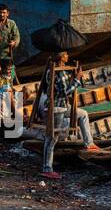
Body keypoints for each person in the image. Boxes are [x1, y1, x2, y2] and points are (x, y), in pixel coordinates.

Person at [38, 50, 99, 179]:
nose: (68, 56)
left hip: (60, 106)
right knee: (52, 138)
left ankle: (89, 143)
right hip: (57, 108)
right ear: (61, 57)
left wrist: (73, 75)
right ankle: (47, 168)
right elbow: (65, 92)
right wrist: (77, 80)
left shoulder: (54, 70)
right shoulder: (58, 73)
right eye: (66, 54)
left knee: (82, 114)